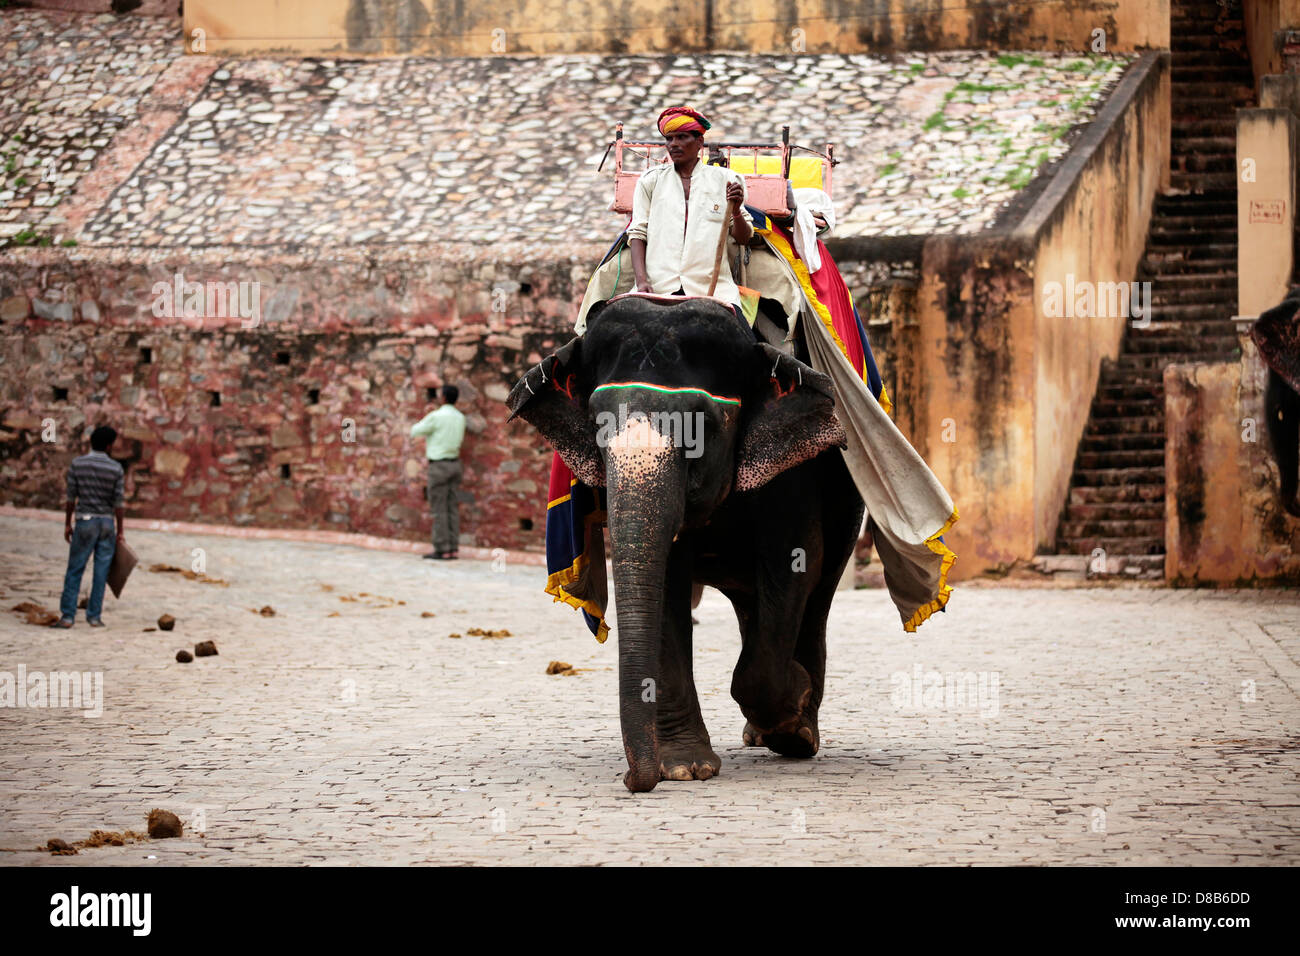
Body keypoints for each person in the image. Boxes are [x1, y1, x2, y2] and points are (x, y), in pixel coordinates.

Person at [628, 106, 754, 308]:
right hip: (657, 288)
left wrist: (737, 211)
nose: (674, 144)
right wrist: (642, 282)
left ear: (699, 142)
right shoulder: (650, 180)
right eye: (669, 139)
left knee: (743, 337)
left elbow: (743, 237)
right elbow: (637, 233)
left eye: (682, 137)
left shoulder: (727, 180)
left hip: (714, 290)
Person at [53, 424, 125, 628]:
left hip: (84, 521)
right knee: (101, 572)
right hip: (106, 523)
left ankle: (68, 616)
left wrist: (68, 523)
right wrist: (120, 531)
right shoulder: (115, 468)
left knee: (75, 569)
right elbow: (119, 504)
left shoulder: (78, 464)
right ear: (109, 445)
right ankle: (94, 616)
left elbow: (70, 498)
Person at [411, 385, 467, 560]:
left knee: (439, 508)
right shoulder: (460, 417)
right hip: (455, 464)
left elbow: (415, 431)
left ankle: (442, 548)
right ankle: (453, 548)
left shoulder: (436, 416)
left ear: (442, 397)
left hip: (439, 466)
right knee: (451, 507)